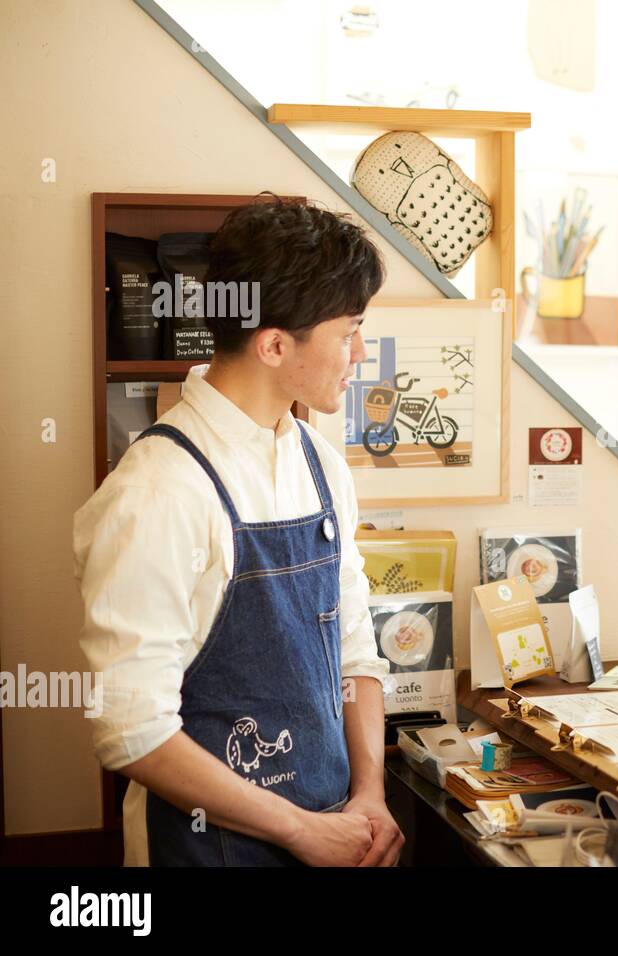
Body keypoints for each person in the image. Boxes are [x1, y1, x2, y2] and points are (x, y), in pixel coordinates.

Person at [73, 196, 403, 866]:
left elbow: (355, 655)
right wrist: (298, 831)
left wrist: (368, 794)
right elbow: (129, 728)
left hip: (337, 829)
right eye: (349, 333)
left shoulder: (323, 468)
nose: (360, 354)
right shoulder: (159, 490)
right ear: (275, 343)